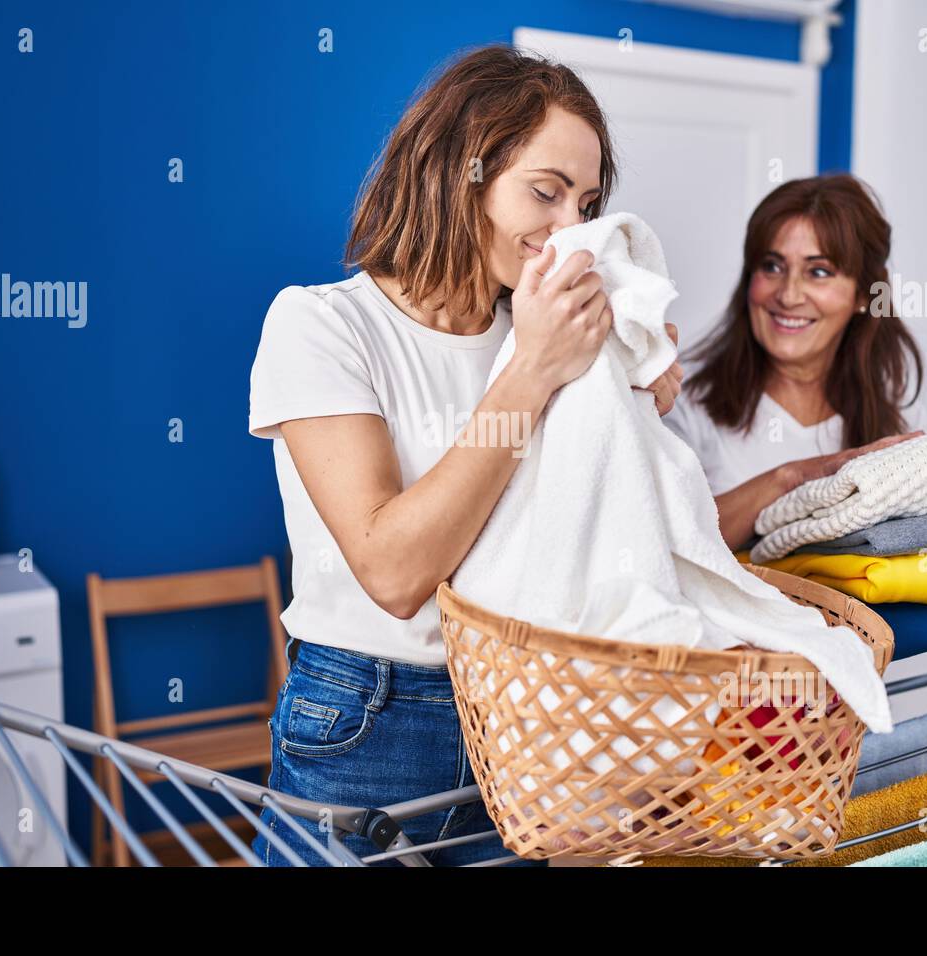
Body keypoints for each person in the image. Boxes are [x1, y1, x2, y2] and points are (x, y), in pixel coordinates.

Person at [246, 44, 683, 866]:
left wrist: (636, 375)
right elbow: (395, 572)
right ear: (458, 175)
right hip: (367, 719)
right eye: (544, 193)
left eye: (585, 204)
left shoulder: (547, 336)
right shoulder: (322, 326)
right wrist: (533, 373)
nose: (568, 231)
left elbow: (617, 523)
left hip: (527, 715)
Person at [663, 174, 927, 553]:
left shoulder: (900, 414)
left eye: (818, 271)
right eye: (772, 266)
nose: (788, 295)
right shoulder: (684, 404)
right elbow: (669, 540)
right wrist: (789, 479)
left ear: (864, 295)